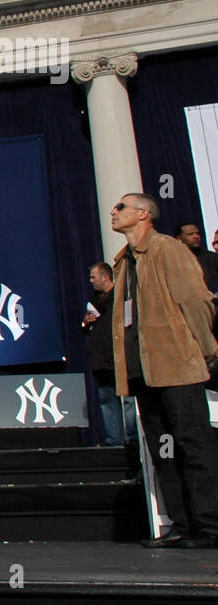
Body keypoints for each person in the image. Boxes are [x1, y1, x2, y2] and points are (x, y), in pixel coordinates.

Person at [110, 194, 218, 548]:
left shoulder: (168, 249)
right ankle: (182, 524)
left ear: (143, 214)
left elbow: (197, 300)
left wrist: (205, 349)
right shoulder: (124, 260)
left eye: (121, 207)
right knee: (164, 451)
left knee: (194, 445)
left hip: (177, 366)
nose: (114, 211)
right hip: (144, 371)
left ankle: (211, 525)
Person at [82, 263, 132, 447]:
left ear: (105, 277)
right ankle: (115, 439)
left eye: (93, 277)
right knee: (107, 399)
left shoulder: (121, 297)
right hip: (101, 360)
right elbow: (86, 328)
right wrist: (85, 323)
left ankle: (133, 438)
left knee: (128, 399)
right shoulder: (94, 300)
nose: (91, 281)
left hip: (120, 357)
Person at [174, 222, 218, 296]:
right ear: (179, 238)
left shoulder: (212, 257)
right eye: (190, 234)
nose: (196, 236)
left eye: (197, 233)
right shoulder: (174, 260)